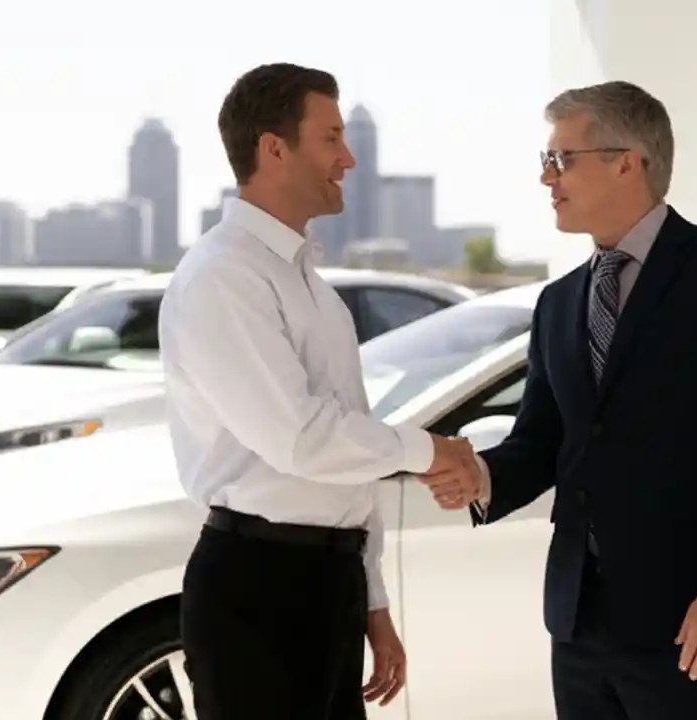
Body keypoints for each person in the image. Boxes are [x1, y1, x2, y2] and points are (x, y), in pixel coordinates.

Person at [422, 81, 697, 718]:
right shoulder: (558, 303)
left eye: (561, 160)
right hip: (578, 622)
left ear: (628, 160)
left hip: (692, 619)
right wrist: (481, 477)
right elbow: (545, 443)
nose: (547, 179)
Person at [158, 62, 480, 720]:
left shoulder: (310, 285)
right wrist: (430, 452)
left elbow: (340, 466)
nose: (349, 157)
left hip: (324, 585)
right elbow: (303, 440)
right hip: (258, 590)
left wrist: (372, 603)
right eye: (331, 137)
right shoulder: (225, 277)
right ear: (274, 149)